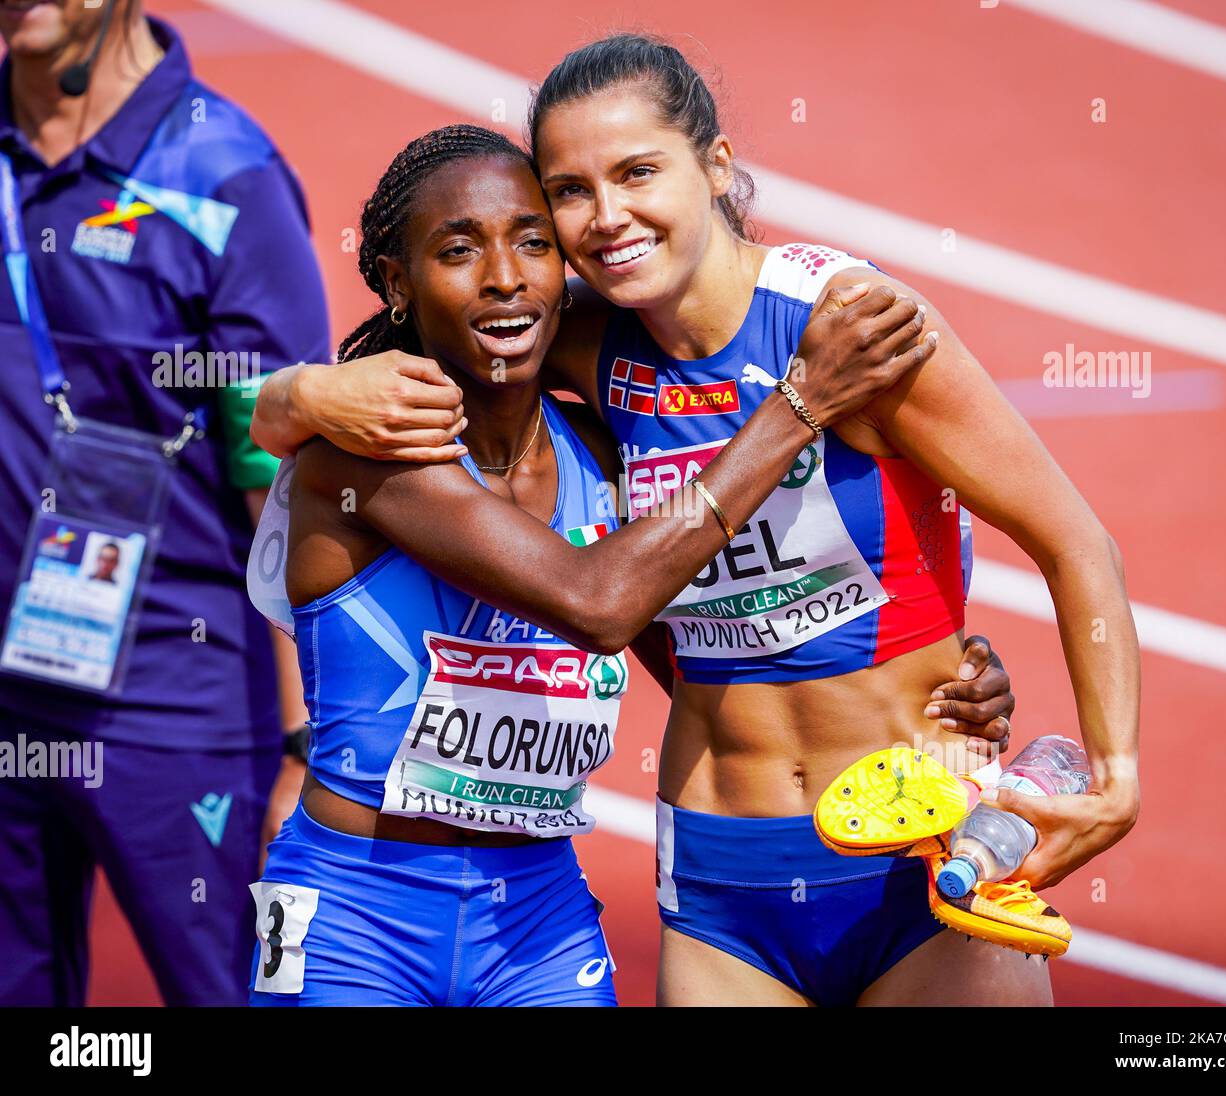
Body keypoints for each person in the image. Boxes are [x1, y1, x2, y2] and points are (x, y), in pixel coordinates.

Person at [251, 39, 1047, 1006]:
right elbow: (602, 602)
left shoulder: (601, 450)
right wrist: (294, 393)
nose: (505, 277)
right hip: (356, 909)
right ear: (396, 281)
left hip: (535, 910)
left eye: (535, 243)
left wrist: (919, 681)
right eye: (459, 252)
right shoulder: (368, 454)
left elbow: (705, 621)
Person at [0, 0, 328, 1005]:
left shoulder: (224, 176)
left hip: (177, 702)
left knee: (236, 992)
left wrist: (306, 747)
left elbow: (286, 474)